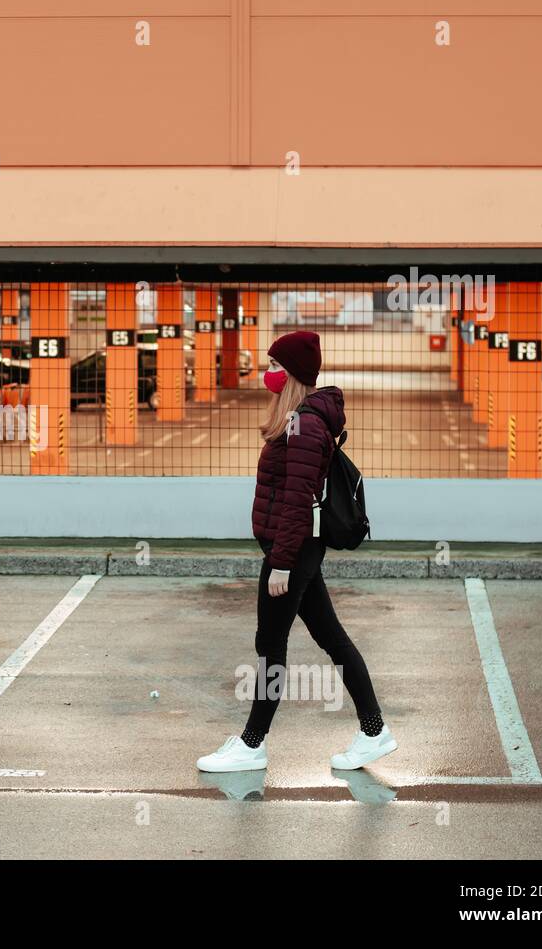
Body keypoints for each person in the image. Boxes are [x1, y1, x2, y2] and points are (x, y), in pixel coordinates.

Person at [197, 330, 395, 773]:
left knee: (270, 644)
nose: (266, 374)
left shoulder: (304, 424)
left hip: (294, 551)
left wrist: (282, 562)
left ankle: (251, 745)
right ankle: (374, 730)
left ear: (291, 377)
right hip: (296, 549)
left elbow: (297, 500)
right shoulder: (297, 419)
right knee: (331, 638)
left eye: (274, 368)